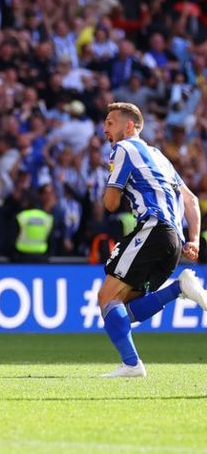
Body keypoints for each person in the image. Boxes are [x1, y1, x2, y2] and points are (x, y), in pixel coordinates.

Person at [98, 102, 207, 378]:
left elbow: (110, 203)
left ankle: (132, 365)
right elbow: (191, 200)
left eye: (110, 123)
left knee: (106, 297)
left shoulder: (122, 149)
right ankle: (178, 289)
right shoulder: (159, 156)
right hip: (173, 240)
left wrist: (110, 185)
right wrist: (193, 239)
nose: (105, 128)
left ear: (129, 126)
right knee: (122, 308)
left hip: (153, 228)